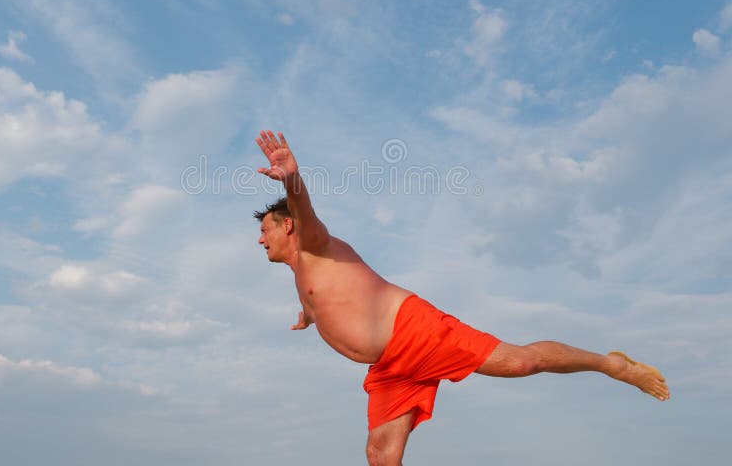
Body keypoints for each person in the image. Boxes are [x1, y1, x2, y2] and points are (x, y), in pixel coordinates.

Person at [254, 130, 669, 466]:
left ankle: (613, 365)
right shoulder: (303, 272)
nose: (260, 239)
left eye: (265, 229)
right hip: (391, 367)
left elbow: (302, 207)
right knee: (380, 456)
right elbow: (327, 301)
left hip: (415, 333)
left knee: (522, 363)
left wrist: (292, 177)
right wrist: (308, 315)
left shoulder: (314, 244)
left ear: (287, 226)